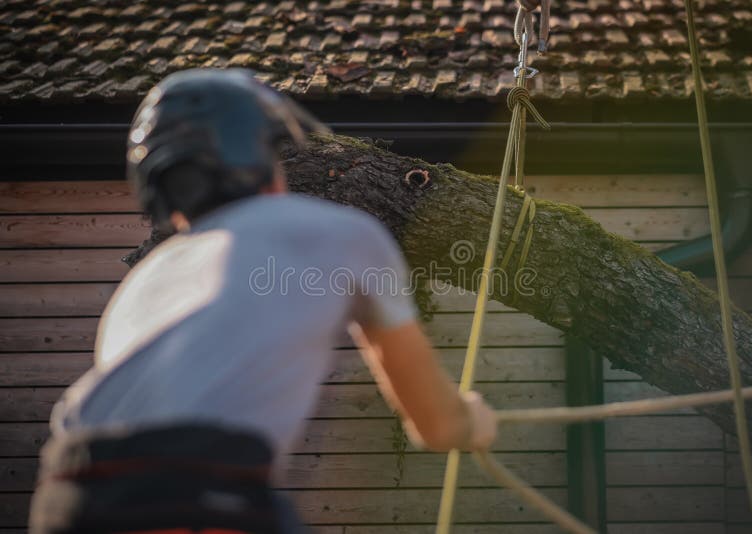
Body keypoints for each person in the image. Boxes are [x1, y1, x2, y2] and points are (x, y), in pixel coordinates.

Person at [29, 68, 497, 534]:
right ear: (254, 155)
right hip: (194, 489)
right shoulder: (342, 232)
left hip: (66, 490)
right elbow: (434, 425)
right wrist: (470, 420)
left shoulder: (148, 277)